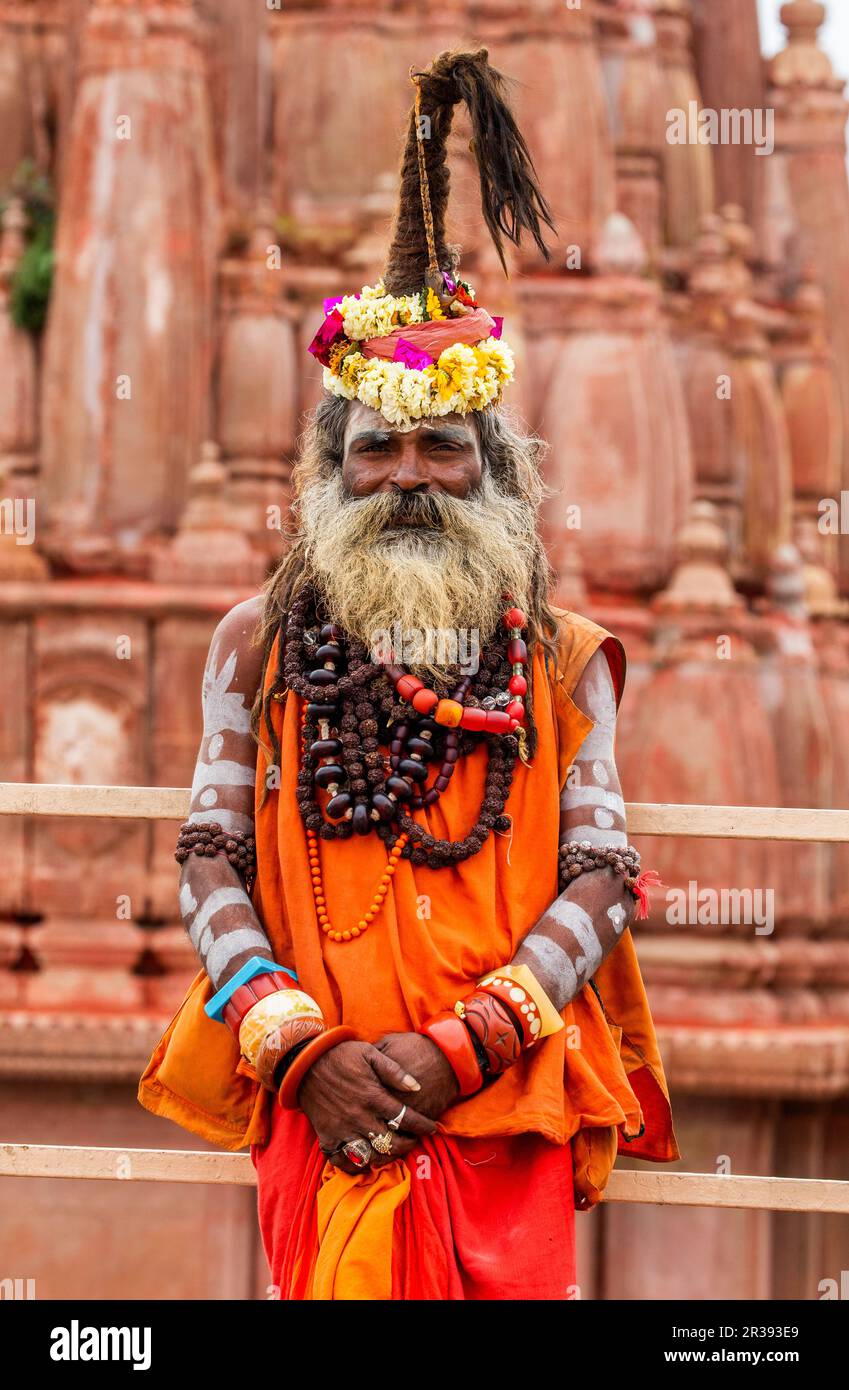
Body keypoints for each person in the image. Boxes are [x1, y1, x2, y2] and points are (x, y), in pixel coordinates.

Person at [139, 48, 678, 1301]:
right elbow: (208, 854)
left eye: (445, 445)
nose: (413, 476)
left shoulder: (559, 658)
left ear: (496, 475)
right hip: (316, 1117)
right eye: (379, 448)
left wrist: (457, 1051)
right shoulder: (255, 645)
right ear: (333, 472)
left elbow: (600, 873)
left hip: (496, 1115)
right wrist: (299, 1051)